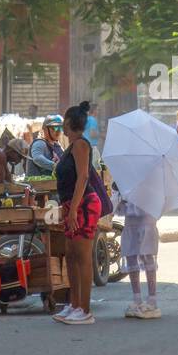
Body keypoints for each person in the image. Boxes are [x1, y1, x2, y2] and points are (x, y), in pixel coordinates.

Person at [52, 102, 102, 325]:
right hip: (71, 204)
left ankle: (85, 309)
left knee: (82, 257)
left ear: (70, 123)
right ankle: (74, 304)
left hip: (82, 204)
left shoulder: (81, 144)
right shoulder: (70, 147)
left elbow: (83, 177)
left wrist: (73, 209)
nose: (62, 126)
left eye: (64, 122)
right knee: (70, 256)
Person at [117, 194, 162, 319]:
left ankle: (152, 301)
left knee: (147, 254)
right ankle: (137, 299)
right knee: (131, 255)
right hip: (130, 212)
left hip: (147, 211)